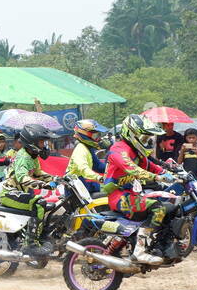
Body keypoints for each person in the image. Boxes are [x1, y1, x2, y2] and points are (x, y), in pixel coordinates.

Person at [104, 114, 176, 265]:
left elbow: (151, 166)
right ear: (131, 134)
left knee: (169, 206)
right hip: (119, 197)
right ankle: (140, 252)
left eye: (147, 139)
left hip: (132, 194)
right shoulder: (118, 149)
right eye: (143, 138)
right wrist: (158, 178)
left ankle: (159, 244)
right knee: (158, 208)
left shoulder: (136, 152)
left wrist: (169, 173)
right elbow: (132, 168)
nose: (146, 142)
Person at [0, 123, 56, 255]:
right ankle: (31, 243)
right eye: (41, 142)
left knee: (48, 206)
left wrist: (57, 179)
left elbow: (38, 173)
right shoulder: (23, 157)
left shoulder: (32, 155)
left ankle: (41, 237)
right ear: (32, 142)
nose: (44, 145)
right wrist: (44, 185)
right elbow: (23, 178)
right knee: (39, 204)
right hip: (10, 194)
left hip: (19, 193)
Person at [68, 119, 108, 191]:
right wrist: (98, 177)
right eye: (95, 136)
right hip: (74, 188)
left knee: (101, 188)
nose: (98, 139)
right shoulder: (81, 149)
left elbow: (98, 166)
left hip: (82, 184)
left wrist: (114, 168)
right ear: (85, 135)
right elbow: (83, 168)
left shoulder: (88, 148)